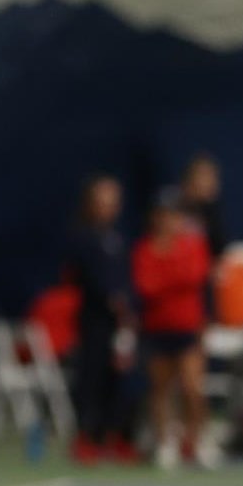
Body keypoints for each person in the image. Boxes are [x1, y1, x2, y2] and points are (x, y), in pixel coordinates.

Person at [133, 190, 217, 470]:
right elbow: (146, 286)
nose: (169, 220)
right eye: (164, 214)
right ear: (156, 218)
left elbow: (194, 275)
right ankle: (165, 443)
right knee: (160, 390)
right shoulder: (144, 249)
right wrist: (174, 277)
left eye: (175, 215)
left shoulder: (194, 245)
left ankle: (197, 441)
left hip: (188, 328)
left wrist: (165, 275)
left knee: (193, 388)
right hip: (157, 329)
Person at [65, 174, 138, 464]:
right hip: (94, 321)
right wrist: (108, 299)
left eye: (113, 202)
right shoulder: (81, 236)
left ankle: (113, 437)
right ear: (91, 203)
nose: (108, 208)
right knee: (90, 379)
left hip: (119, 324)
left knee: (120, 379)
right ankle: (85, 438)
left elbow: (125, 279)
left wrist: (126, 307)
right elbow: (83, 277)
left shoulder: (117, 238)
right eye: (102, 202)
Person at [177, 153, 228, 258]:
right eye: (206, 175)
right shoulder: (171, 211)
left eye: (215, 176)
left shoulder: (212, 212)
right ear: (189, 179)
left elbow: (220, 251)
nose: (213, 182)